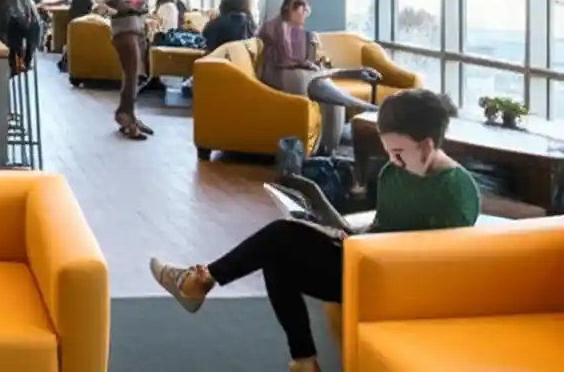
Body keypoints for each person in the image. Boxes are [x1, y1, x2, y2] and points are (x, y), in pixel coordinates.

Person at [150, 89, 480, 372]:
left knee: (280, 237)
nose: (394, 161)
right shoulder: (393, 176)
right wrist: (348, 235)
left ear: (425, 146)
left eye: (399, 152)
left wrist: (373, 250)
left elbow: (446, 264)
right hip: (368, 266)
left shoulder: (455, 189)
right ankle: (304, 361)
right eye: (388, 152)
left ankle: (201, 280)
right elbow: (386, 226)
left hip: (403, 286)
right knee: (278, 257)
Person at [259, 0, 380, 152]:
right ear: (291, 8)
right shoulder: (275, 26)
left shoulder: (295, 30)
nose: (304, 18)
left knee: (332, 98)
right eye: (303, 12)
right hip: (278, 75)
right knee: (317, 81)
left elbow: (300, 58)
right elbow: (284, 59)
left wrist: (309, 58)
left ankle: (330, 148)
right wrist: (306, 63)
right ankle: (365, 107)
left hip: (296, 73)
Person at [95, 0, 153, 139]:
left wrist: (138, 9)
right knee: (130, 75)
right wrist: (134, 9)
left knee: (133, 75)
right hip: (125, 31)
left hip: (135, 30)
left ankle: (129, 113)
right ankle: (125, 115)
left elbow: (138, 4)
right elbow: (117, 6)